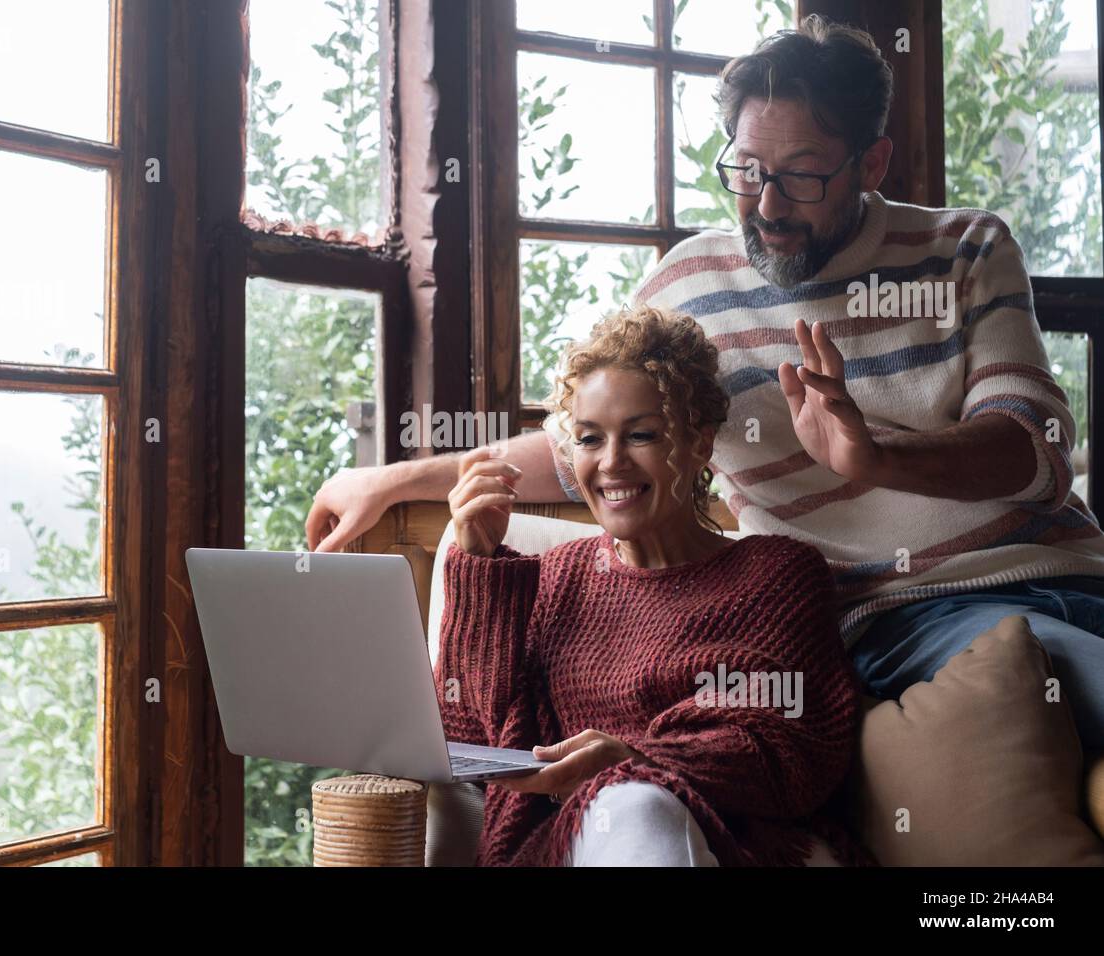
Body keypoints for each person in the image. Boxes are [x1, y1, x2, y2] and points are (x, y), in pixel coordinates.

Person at [307, 15, 1104, 751]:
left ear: (873, 163)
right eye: (746, 171)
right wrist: (393, 477)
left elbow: (1036, 456)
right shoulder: (689, 286)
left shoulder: (964, 249)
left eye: (802, 177)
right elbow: (586, 441)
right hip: (891, 622)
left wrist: (880, 459)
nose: (765, 206)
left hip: (1065, 578)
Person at [435, 304, 866, 866]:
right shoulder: (557, 577)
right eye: (589, 439)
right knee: (627, 802)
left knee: (635, 802)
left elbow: (788, 750)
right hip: (577, 844)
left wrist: (633, 760)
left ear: (699, 444)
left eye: (640, 435)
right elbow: (470, 726)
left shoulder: (776, 577)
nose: (611, 463)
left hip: (730, 846)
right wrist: (479, 567)